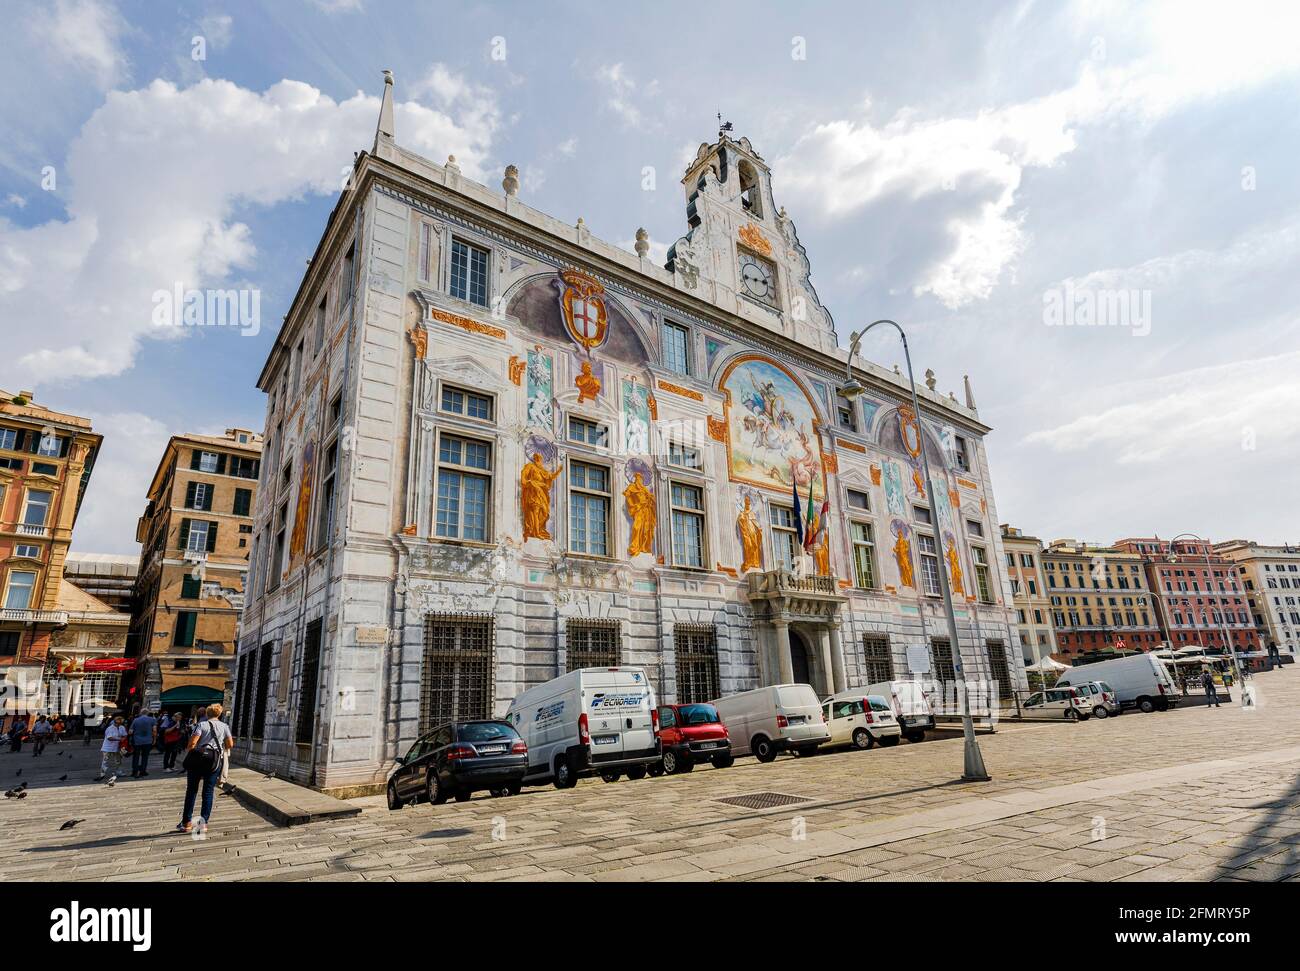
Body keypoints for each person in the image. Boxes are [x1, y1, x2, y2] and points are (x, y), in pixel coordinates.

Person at [178, 704, 234, 835]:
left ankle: (186, 823)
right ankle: (203, 825)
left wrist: (197, 748)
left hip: (197, 761)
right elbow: (230, 744)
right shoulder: (224, 727)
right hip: (214, 762)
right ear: (219, 714)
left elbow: (191, 744)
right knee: (208, 792)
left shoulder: (201, 725)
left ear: (207, 714)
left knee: (191, 791)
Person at [97, 714, 128, 781]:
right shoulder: (110, 728)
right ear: (116, 722)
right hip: (107, 748)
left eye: (121, 723)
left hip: (117, 747)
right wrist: (119, 739)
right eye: (119, 723)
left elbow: (125, 735)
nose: (120, 725)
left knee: (118, 761)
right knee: (105, 761)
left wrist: (123, 740)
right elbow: (109, 738)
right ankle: (102, 774)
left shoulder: (122, 727)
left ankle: (119, 772)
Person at [129, 708, 157, 777]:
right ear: (148, 713)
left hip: (137, 741)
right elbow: (154, 731)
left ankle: (135, 771)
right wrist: (154, 739)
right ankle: (143, 771)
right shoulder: (152, 720)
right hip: (148, 741)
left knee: (136, 756)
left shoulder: (135, 720)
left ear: (141, 713)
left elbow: (130, 731)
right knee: (145, 756)